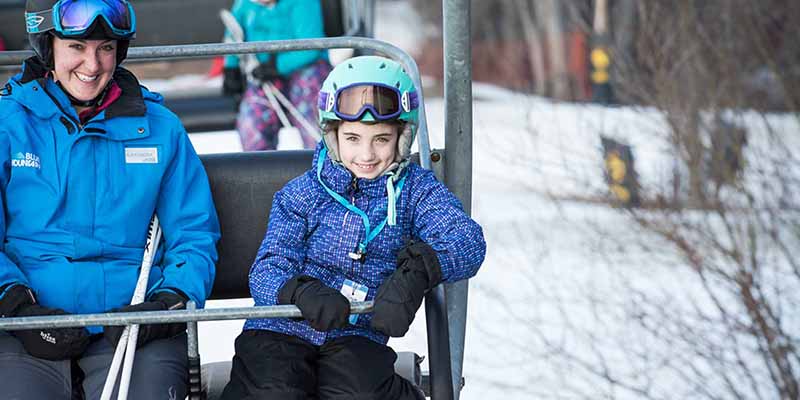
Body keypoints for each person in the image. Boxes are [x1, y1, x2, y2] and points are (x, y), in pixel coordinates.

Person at [220, 55, 487, 399]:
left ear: (403, 138)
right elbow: (266, 269)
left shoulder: (416, 192)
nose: (367, 154)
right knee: (274, 392)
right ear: (332, 136)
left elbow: (466, 241)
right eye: (353, 138)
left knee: (358, 394)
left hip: (358, 334)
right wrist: (299, 291)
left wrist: (419, 270)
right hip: (281, 329)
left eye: (381, 139)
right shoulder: (303, 193)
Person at [0, 1, 220, 399]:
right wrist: (15, 306)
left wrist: (168, 304)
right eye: (77, 47)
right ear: (48, 46)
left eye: (105, 47)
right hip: (25, 321)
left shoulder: (158, 129)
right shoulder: (9, 123)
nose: (93, 63)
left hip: (130, 321)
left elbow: (194, 232)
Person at [222, 0, 333, 151]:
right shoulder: (245, 5)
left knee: (312, 110)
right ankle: (260, 166)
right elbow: (234, 34)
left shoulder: (304, 3)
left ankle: (320, 156)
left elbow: (312, 46)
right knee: (252, 118)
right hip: (264, 75)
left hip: (304, 68)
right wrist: (231, 67)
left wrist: (277, 66)